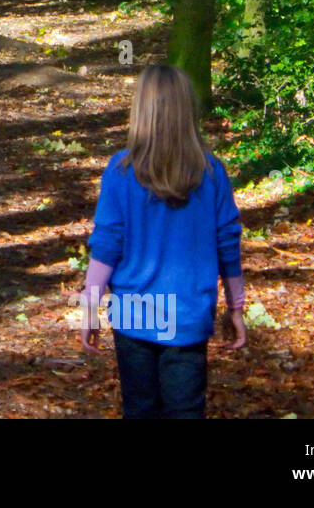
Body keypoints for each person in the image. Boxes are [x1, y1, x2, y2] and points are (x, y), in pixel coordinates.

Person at [79, 64, 247, 418]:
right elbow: (227, 244)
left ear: (141, 111)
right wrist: (236, 307)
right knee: (185, 410)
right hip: (188, 312)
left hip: (132, 313)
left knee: (139, 409)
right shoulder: (212, 172)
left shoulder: (120, 170)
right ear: (188, 112)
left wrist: (89, 308)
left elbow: (107, 244)